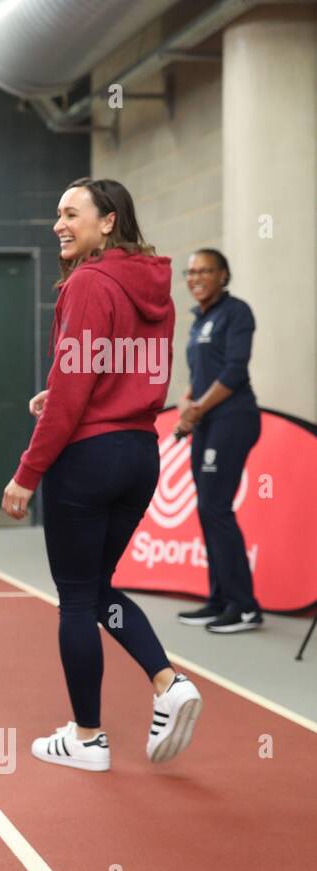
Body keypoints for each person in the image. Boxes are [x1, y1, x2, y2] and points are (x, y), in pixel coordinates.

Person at [2, 177, 204, 772]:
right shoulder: (154, 287)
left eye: (70, 213)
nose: (58, 224)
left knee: (75, 598)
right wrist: (59, 390)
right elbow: (104, 369)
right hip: (139, 453)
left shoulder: (88, 283)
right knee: (97, 589)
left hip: (87, 460)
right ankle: (167, 681)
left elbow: (75, 395)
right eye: (57, 214)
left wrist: (26, 473)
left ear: (108, 220)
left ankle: (87, 737)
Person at [174, 249, 263, 633]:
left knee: (217, 508)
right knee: (207, 510)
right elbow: (202, 372)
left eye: (205, 271)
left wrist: (197, 409)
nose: (195, 278)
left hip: (233, 418)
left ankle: (244, 607)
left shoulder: (236, 312)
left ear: (223, 275)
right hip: (207, 421)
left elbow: (233, 370)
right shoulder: (199, 320)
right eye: (190, 272)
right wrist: (187, 399)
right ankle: (219, 600)